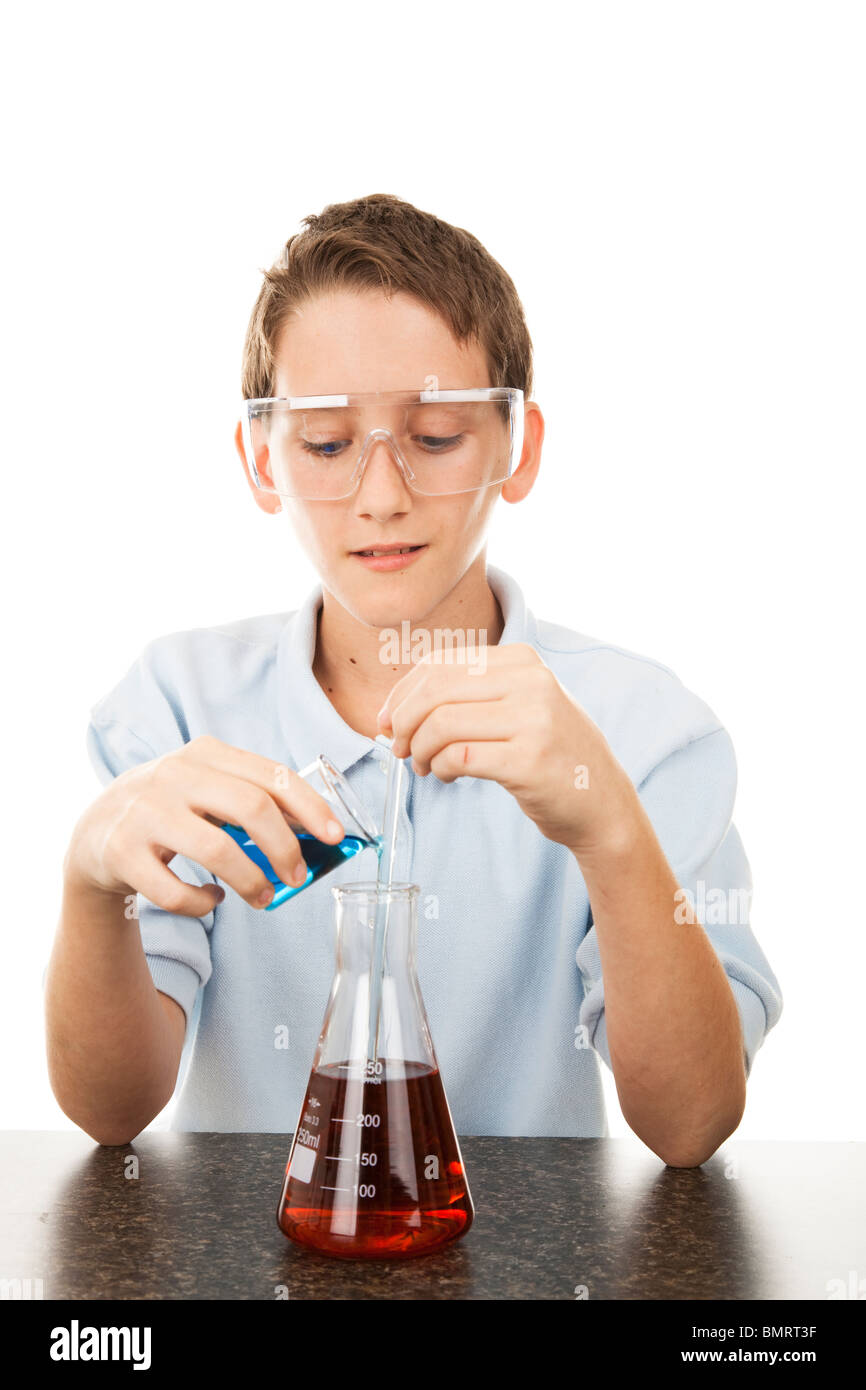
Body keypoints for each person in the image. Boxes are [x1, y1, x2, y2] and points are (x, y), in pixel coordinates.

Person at [45, 193, 782, 1163]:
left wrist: (602, 817)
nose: (381, 495)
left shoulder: (645, 732)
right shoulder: (178, 708)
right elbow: (110, 1110)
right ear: (260, 460)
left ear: (514, 448)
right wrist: (90, 880)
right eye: (325, 443)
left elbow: (690, 1124)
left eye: (434, 436)